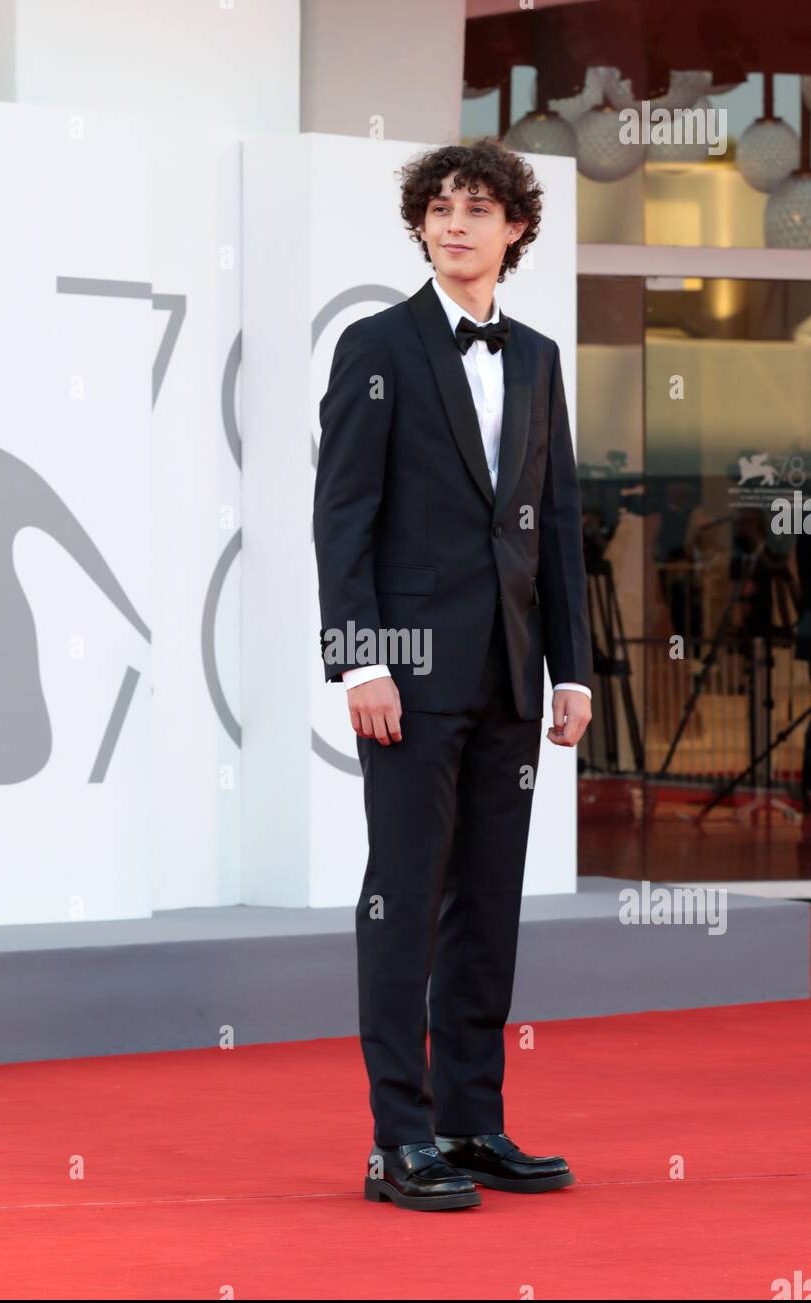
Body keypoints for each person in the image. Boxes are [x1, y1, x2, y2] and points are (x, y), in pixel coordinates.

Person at [313, 138, 593, 1212]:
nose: (455, 223)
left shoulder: (534, 358)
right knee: (403, 894)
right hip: (410, 678)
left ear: (514, 228)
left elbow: (556, 524)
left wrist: (572, 669)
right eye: (438, 207)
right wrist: (362, 660)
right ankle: (399, 1141)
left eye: (477, 207)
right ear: (420, 226)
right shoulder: (374, 344)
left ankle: (472, 1122)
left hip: (512, 680)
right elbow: (341, 517)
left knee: (485, 902)